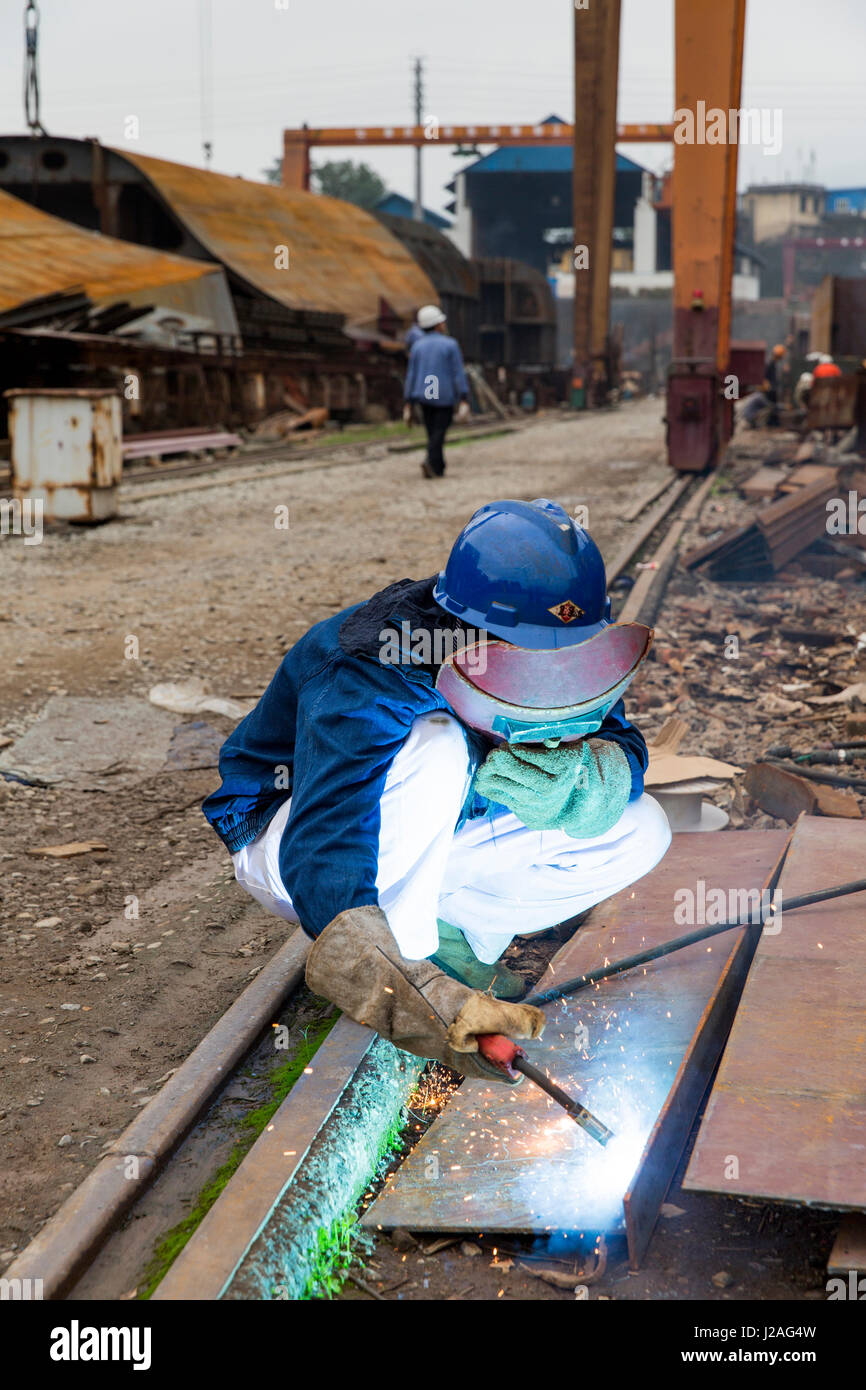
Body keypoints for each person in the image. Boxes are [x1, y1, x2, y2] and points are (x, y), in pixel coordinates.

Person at [202, 499, 671, 1084]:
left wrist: (584, 784)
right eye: (528, 650)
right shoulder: (375, 667)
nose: (548, 668)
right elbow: (327, 843)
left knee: (642, 828)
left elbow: (622, 741)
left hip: (438, 830)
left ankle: (453, 938)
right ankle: (408, 962)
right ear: (468, 626)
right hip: (294, 840)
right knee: (438, 742)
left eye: (561, 651)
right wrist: (421, 1004)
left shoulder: (562, 643)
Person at [403, 304, 470, 479]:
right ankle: (430, 461)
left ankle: (438, 467)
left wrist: (408, 400)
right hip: (443, 395)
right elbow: (458, 372)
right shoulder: (450, 344)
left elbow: (411, 374)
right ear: (437, 324)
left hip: (424, 395)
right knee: (439, 432)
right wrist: (463, 396)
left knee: (432, 431)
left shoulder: (417, 346)